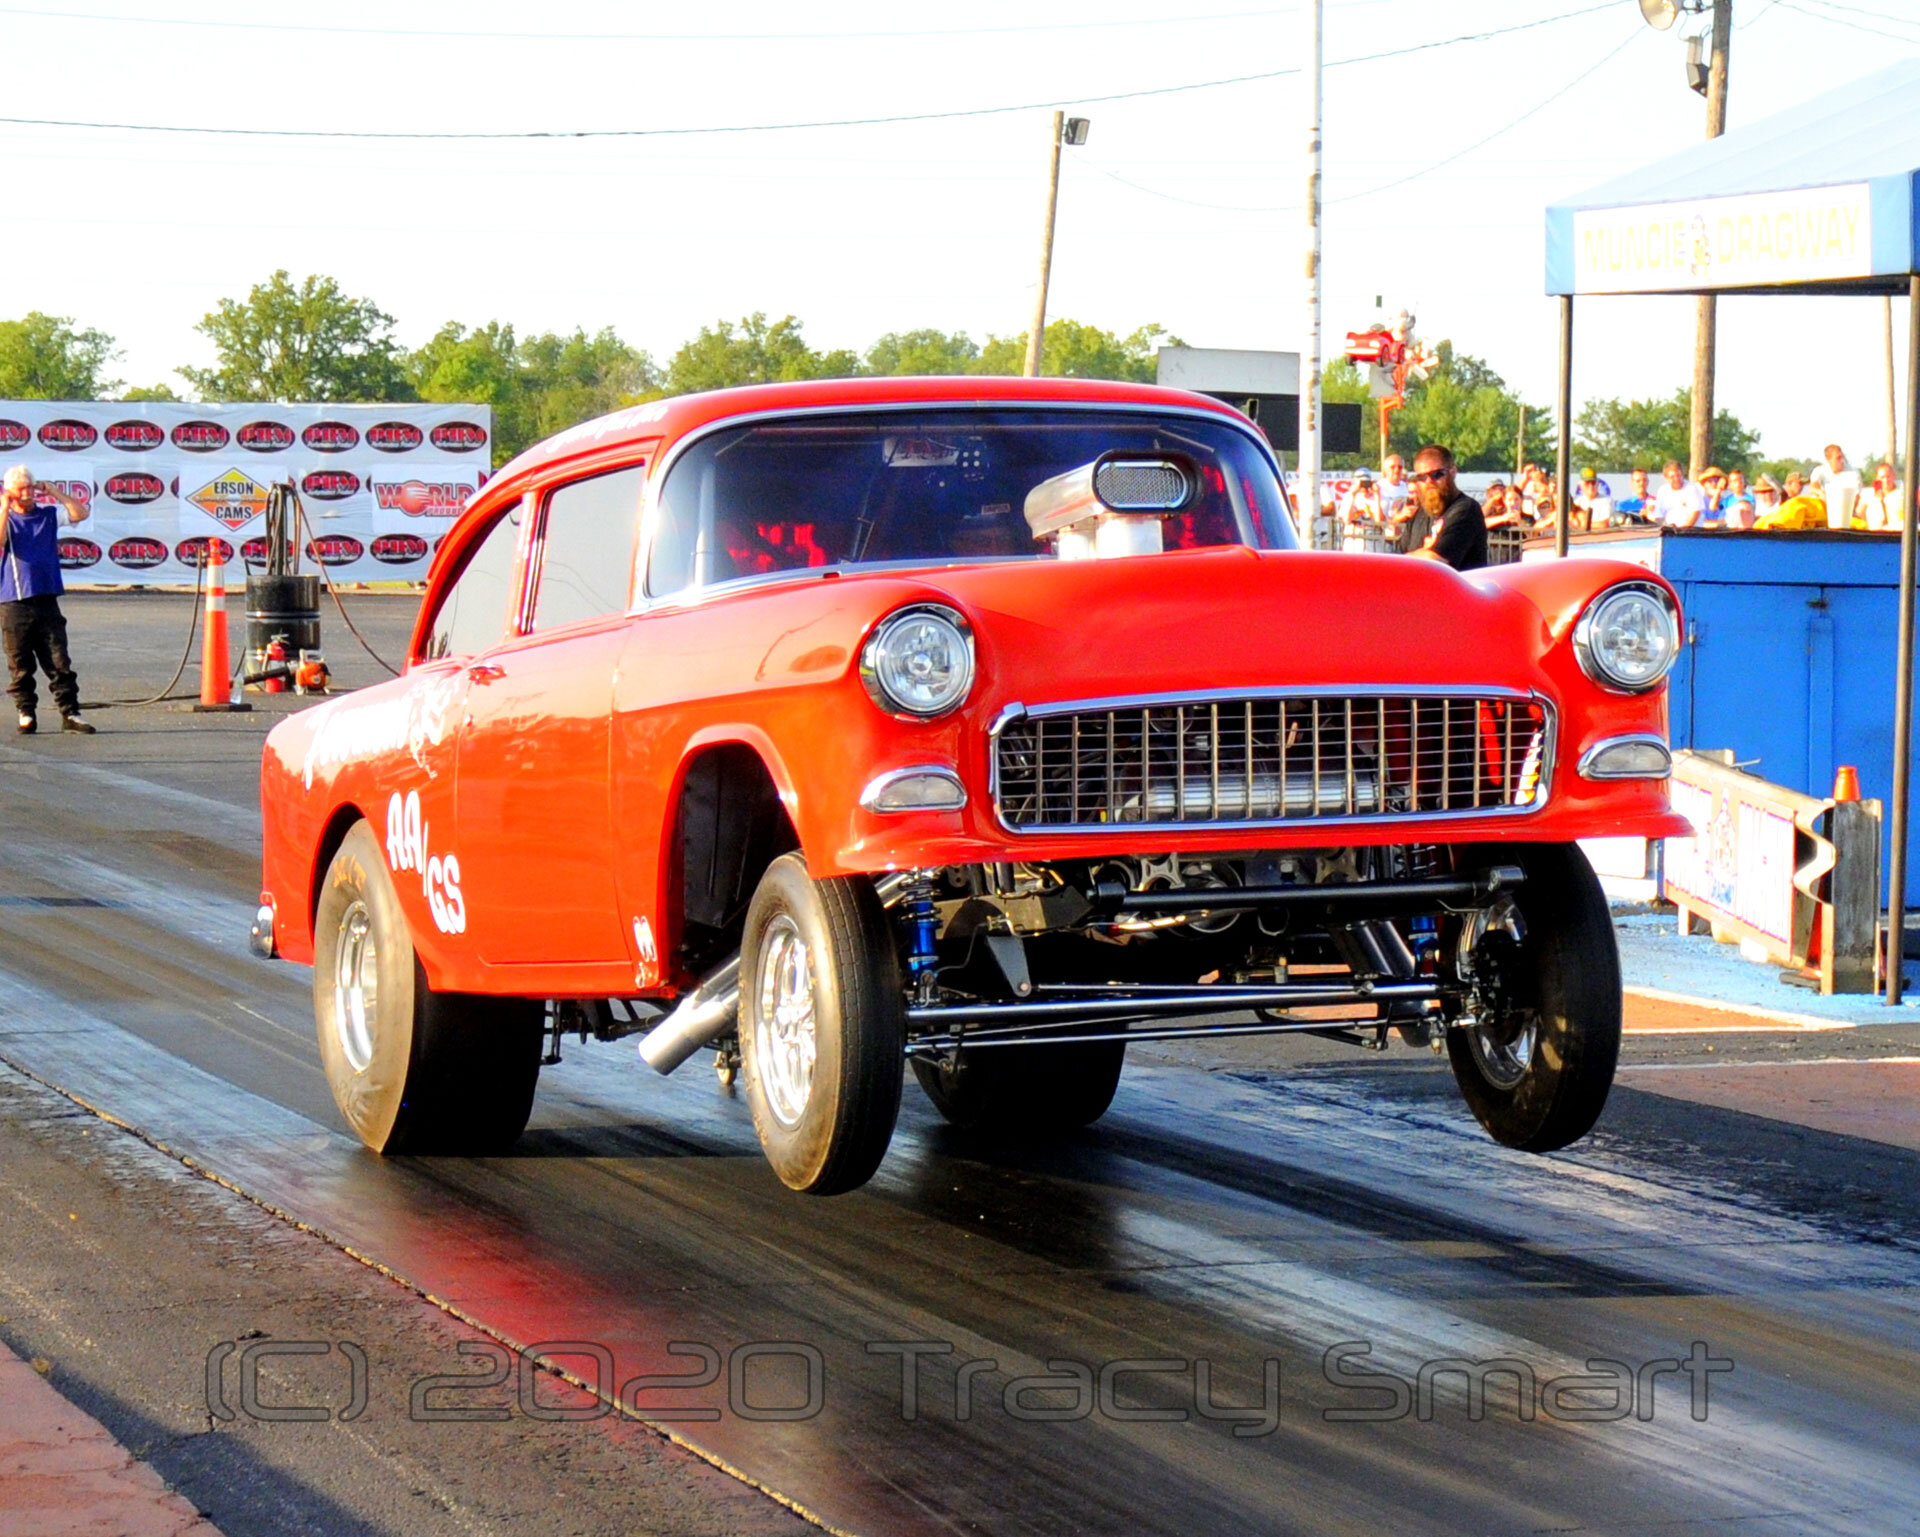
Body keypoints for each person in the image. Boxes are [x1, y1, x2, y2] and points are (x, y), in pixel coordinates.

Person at [1, 466, 95, 734]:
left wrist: (54, 491)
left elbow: (80, 513)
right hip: (14, 601)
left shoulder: (48, 515)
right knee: (20, 663)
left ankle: (70, 713)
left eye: (29, 488)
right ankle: (26, 712)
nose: (27, 494)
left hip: (47, 597)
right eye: (21, 489)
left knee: (59, 660)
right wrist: (5, 506)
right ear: (10, 491)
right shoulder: (6, 518)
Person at [1408, 444, 1487, 570]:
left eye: (1437, 474)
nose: (1429, 482)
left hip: (1458, 583)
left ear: (1453, 472)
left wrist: (1424, 554)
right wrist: (1422, 554)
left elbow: (1434, 561)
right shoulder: (1420, 513)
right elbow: (1399, 557)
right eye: (1422, 477)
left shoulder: (1466, 509)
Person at [1809, 444, 1861, 524]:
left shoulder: (1853, 473)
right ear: (1828, 459)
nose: (1842, 461)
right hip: (1825, 510)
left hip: (1847, 512)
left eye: (1842, 457)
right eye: (1838, 458)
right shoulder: (1819, 471)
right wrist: (1821, 494)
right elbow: (1813, 488)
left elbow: (1856, 497)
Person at [1652, 460, 1708, 528]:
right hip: (1670, 530)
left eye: (1678, 475)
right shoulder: (1662, 491)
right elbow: (1658, 515)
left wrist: (1683, 530)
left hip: (1691, 530)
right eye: (1672, 477)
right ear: (1666, 478)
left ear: (1682, 474)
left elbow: (1696, 512)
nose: (1676, 479)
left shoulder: (1692, 488)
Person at [1857, 462, 1902, 530]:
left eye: (1888, 476)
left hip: (1896, 532)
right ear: (1877, 478)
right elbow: (1859, 512)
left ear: (1894, 476)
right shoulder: (1869, 494)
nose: (1886, 480)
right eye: (1882, 477)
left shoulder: (1902, 493)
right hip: (1874, 532)